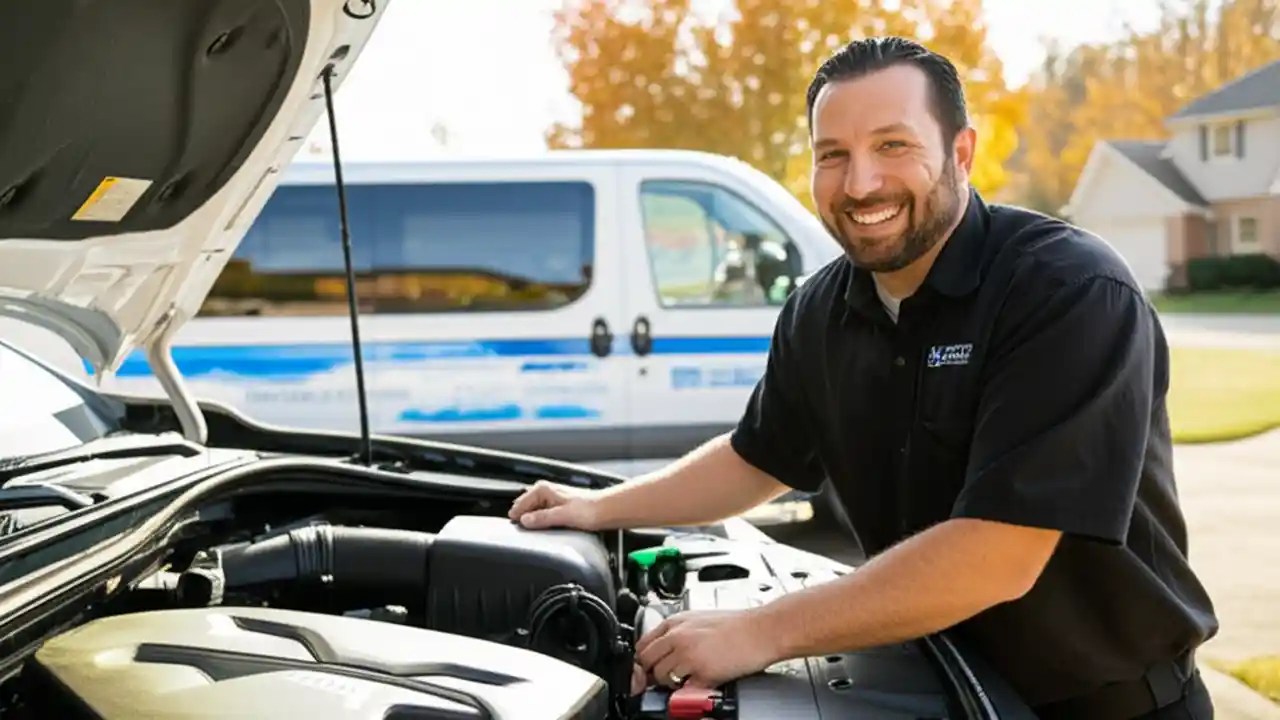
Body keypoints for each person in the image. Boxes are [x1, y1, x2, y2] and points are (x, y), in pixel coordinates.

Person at [509, 36, 1218, 719]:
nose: (860, 183)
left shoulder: (1067, 291)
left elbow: (998, 556)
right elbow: (758, 458)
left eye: (893, 146)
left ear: (961, 151)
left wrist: (758, 631)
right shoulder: (819, 309)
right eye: (833, 155)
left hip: (1110, 707)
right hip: (930, 689)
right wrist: (601, 507)